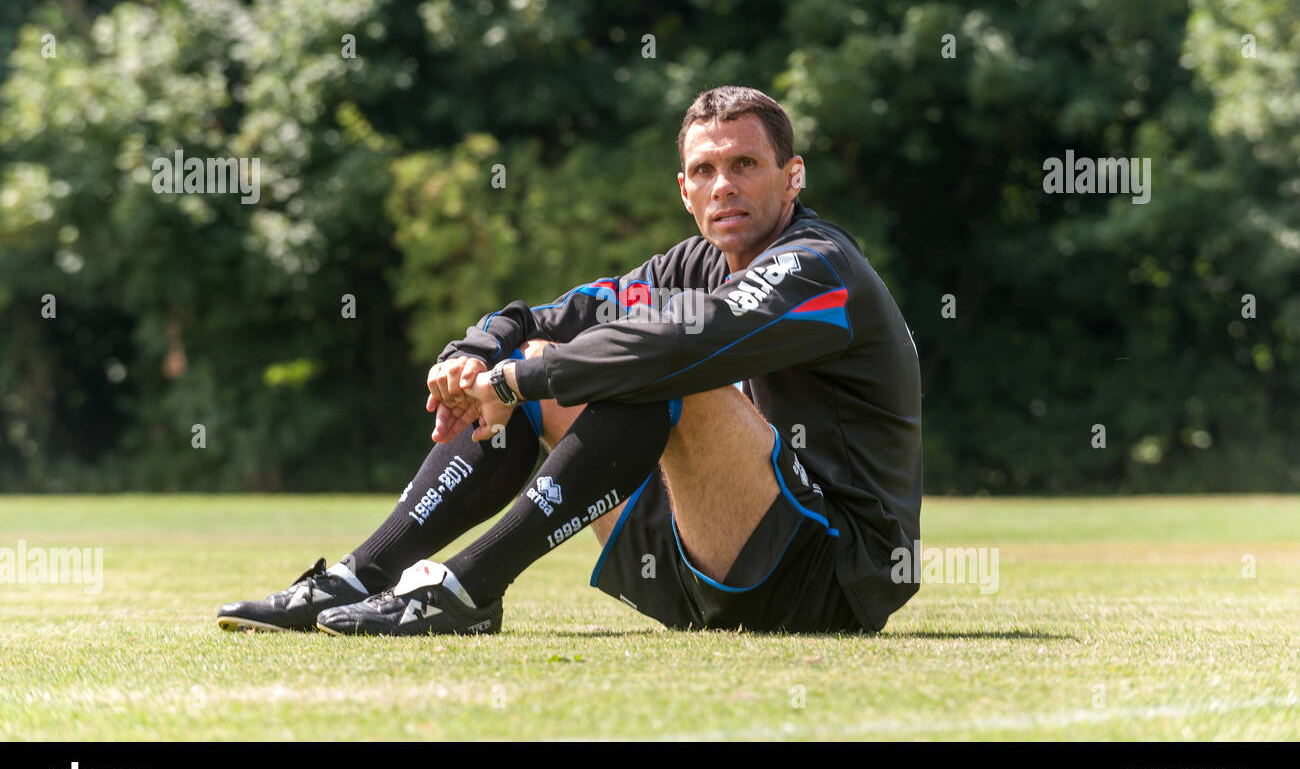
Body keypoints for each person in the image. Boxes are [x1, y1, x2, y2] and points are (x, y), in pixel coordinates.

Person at [217, 86, 922, 636]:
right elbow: (549, 316)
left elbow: (686, 342)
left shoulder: (819, 266)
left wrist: (518, 378)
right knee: (539, 356)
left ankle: (464, 588)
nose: (722, 186)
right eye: (703, 170)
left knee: (638, 367)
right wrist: (478, 352)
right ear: (683, 189)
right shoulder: (694, 261)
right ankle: (358, 576)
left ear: (791, 176)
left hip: (830, 575)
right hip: (697, 566)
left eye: (745, 165)